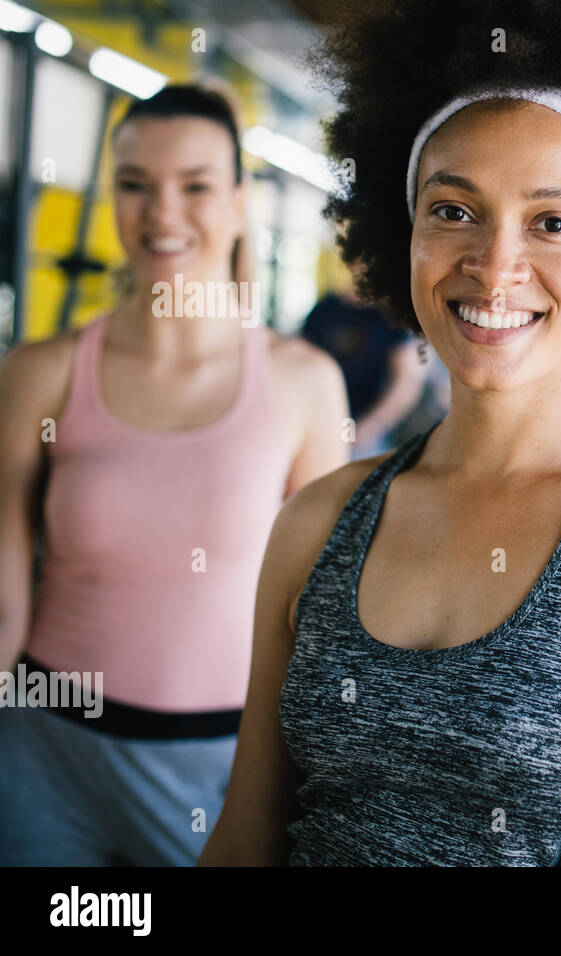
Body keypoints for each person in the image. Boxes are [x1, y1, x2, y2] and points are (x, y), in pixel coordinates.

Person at [199, 0, 561, 867]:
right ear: (407, 234)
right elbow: (243, 846)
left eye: (552, 223)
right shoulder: (317, 522)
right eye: (453, 210)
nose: (494, 266)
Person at [0, 84, 349, 865]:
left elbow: (321, 616)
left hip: (220, 768)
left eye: (193, 185)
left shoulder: (302, 382)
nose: (162, 214)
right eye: (134, 185)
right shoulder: (40, 373)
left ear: (235, 201)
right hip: (42, 751)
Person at [299, 266, 427, 458]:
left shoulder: (391, 316)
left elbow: (406, 383)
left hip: (365, 432)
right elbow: (300, 366)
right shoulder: (325, 309)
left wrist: (369, 428)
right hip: (322, 425)